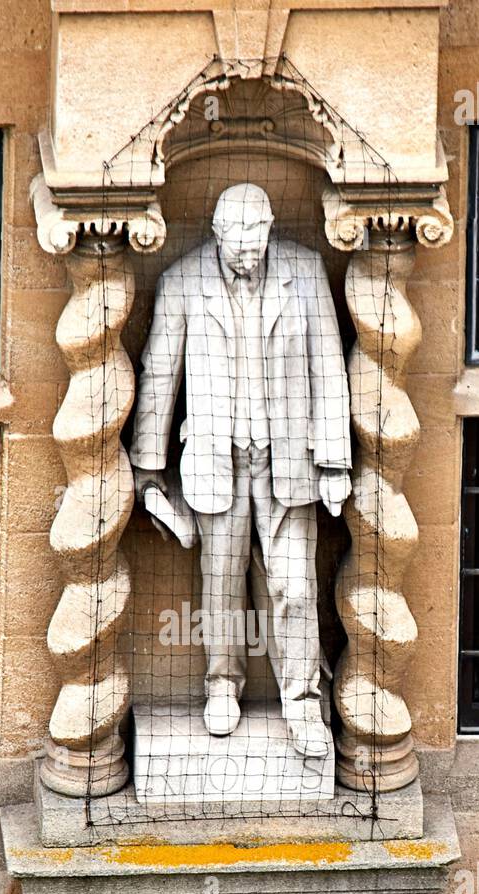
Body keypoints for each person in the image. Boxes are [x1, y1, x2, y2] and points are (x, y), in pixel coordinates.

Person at [130, 183, 351, 758]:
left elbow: (329, 368)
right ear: (217, 234)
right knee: (220, 583)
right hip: (213, 459)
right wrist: (149, 469)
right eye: (236, 244)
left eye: (257, 241)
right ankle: (221, 686)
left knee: (296, 586)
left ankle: (303, 704)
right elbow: (159, 376)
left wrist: (333, 460)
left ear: (271, 228)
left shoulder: (303, 275)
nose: (247, 253)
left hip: (288, 460)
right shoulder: (181, 281)